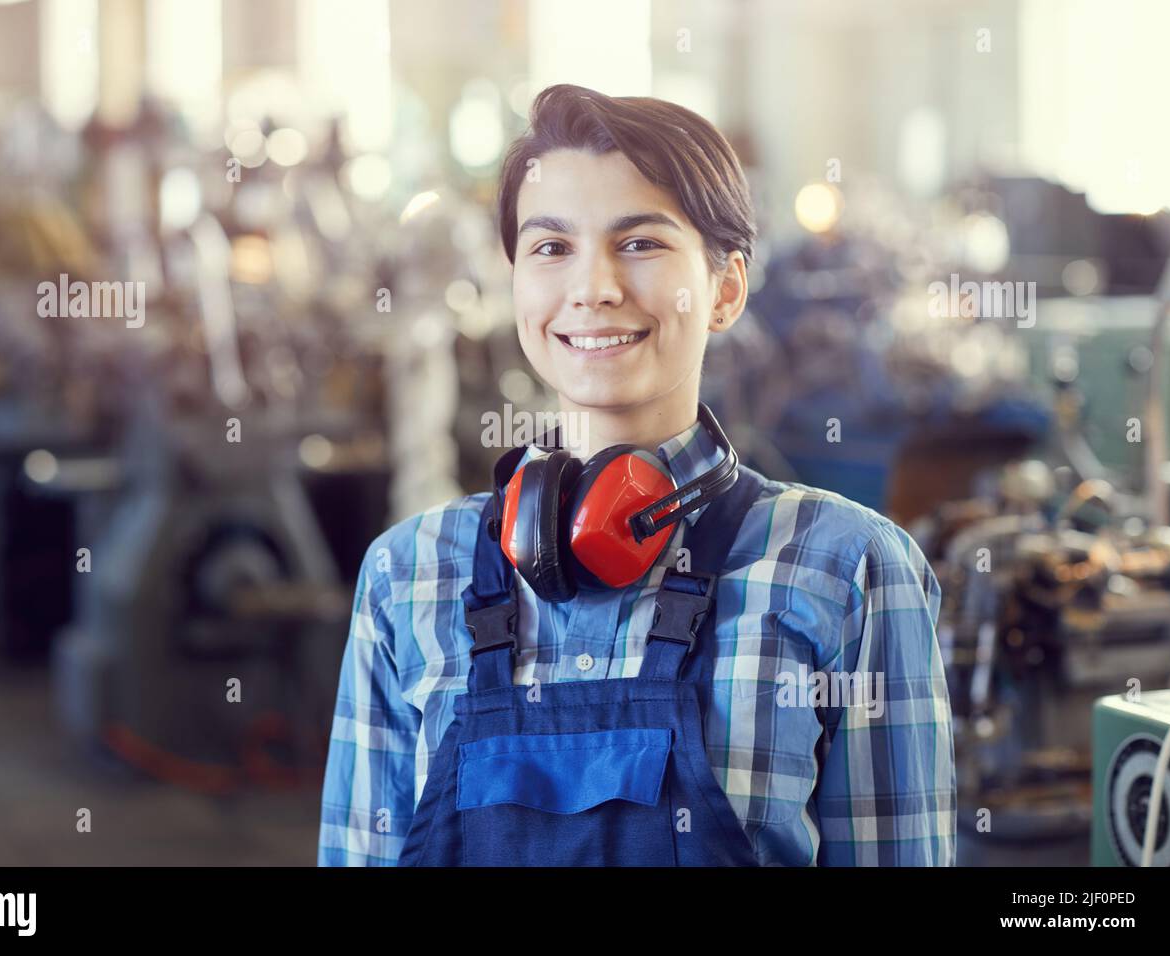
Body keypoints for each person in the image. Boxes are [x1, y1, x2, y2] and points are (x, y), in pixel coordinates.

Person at [318, 84, 955, 866]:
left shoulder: (846, 568)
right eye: (551, 248)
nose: (594, 289)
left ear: (725, 288)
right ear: (515, 283)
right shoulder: (408, 574)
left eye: (641, 243)